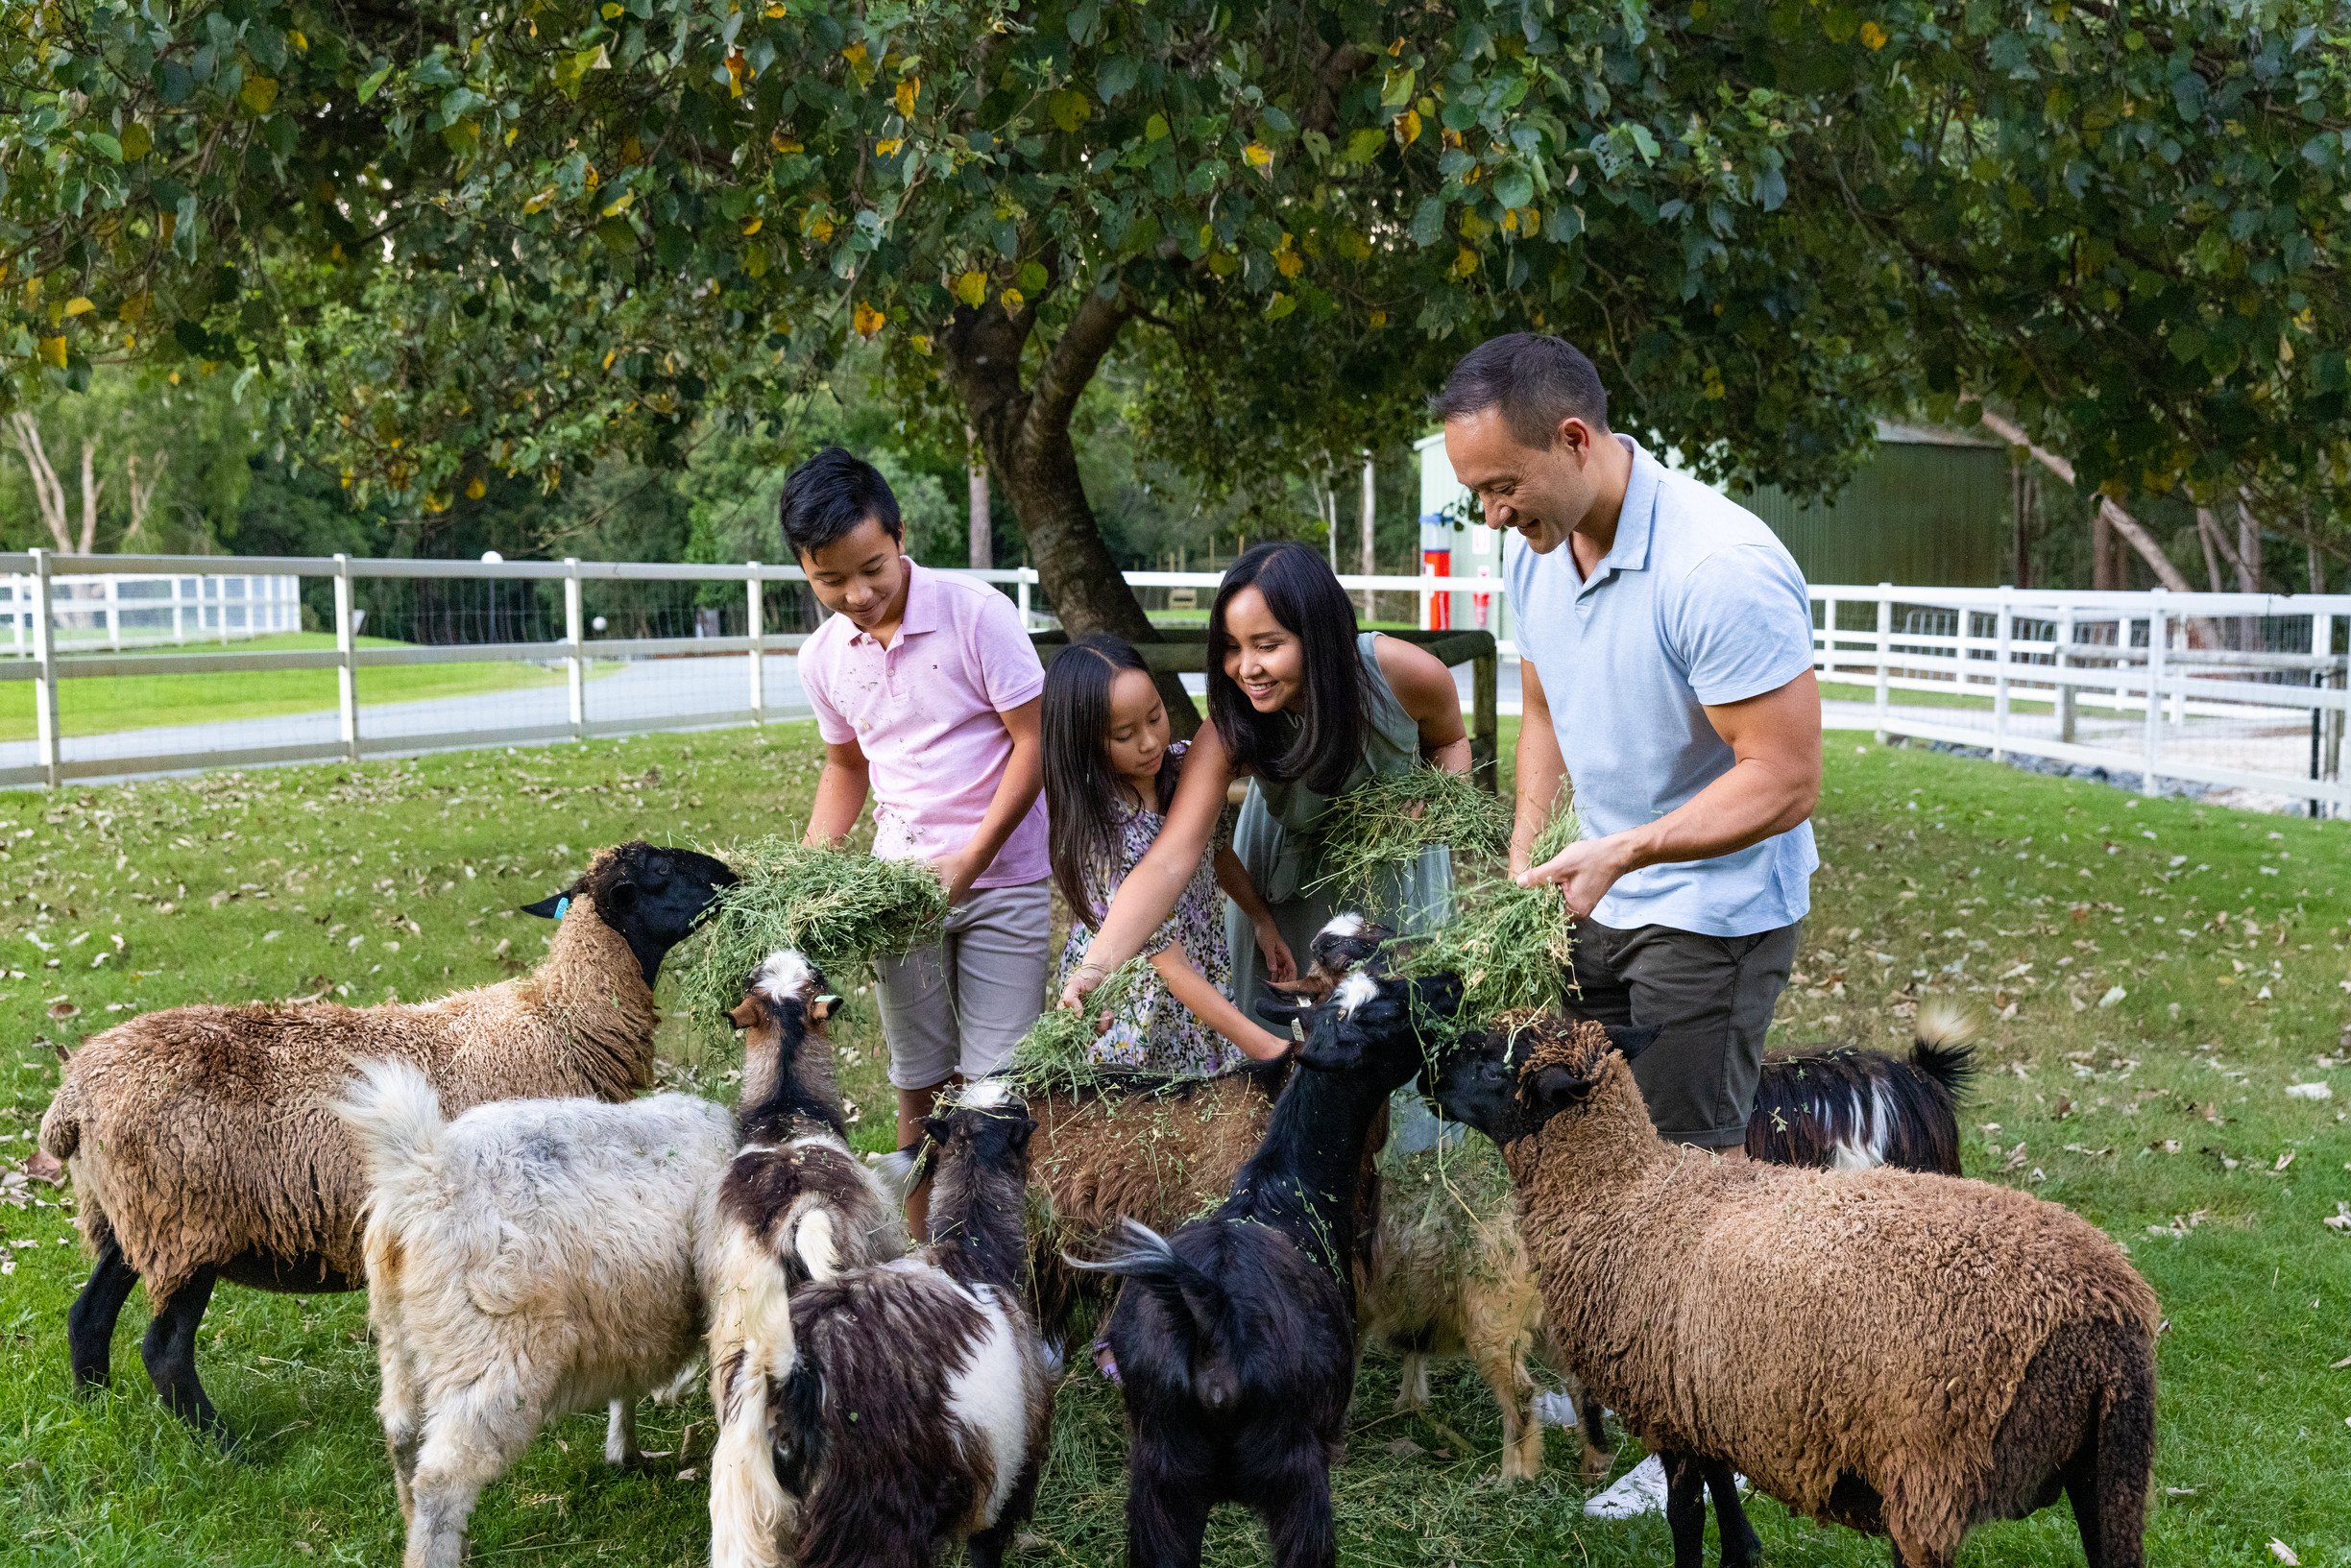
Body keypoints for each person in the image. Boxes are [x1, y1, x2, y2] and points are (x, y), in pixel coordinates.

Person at [1438, 332, 1822, 1160]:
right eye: (1478, 493)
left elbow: (1785, 778)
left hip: (1709, 909)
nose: (1493, 515)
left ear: (1574, 439)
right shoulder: (1535, 554)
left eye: (1503, 486)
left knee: (1679, 1178)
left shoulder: (1719, 568)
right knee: (1581, 1145)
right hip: (1595, 889)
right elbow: (1543, 709)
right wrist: (1526, 854)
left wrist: (1630, 849)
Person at [787, 446, 1047, 1234]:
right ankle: (926, 1262)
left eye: (871, 568)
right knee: (920, 1081)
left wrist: (971, 861)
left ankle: (1002, 1267)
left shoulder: (978, 614)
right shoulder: (823, 656)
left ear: (900, 534)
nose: (857, 594)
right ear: (805, 568)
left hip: (1002, 881)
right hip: (899, 894)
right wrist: (807, 874)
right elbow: (845, 765)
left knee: (995, 1089)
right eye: (831, 580)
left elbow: (1033, 747)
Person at [1060, 541, 1472, 1018]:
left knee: (1400, 1026)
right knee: (1291, 1038)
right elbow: (1169, 860)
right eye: (1232, 648)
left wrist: (1436, 808)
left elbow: (1450, 741)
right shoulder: (1230, 730)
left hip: (1395, 868)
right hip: (1287, 871)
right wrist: (1095, 967)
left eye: (1268, 646)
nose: (1246, 668)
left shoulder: (1404, 673)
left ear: (1319, 635)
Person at [1043, 635, 1294, 1073]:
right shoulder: (1104, 837)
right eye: (1124, 734)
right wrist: (1269, 1048)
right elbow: (1171, 970)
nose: (1149, 742)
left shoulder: (1181, 770)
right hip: (1143, 1007)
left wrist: (1260, 918)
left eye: (1156, 716)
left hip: (1201, 975)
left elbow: (1215, 852)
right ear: (1083, 742)